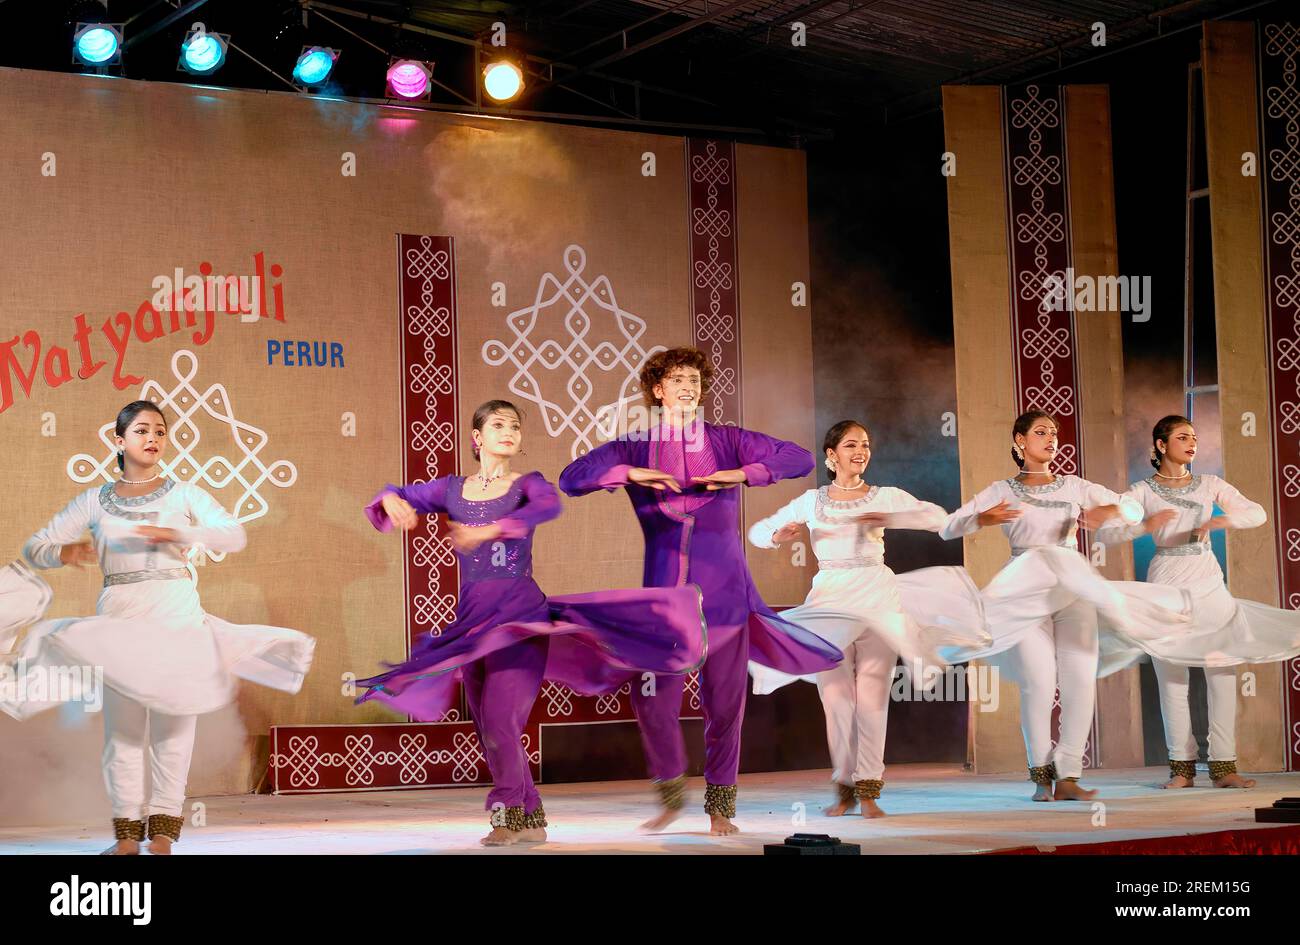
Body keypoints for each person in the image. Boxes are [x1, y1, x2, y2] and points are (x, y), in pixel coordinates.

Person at [358, 399, 706, 846]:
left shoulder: (528, 484)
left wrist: (490, 530)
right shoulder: (451, 489)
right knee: (488, 726)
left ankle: (504, 817)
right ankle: (531, 817)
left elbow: (547, 508)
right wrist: (391, 498)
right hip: (473, 624)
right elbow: (398, 494)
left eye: (515, 426)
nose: (509, 431)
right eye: (498, 424)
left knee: (503, 720)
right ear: (477, 438)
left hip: (522, 618)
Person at [1, 400, 315, 854]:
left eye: (161, 432)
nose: (153, 439)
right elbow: (35, 547)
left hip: (176, 612)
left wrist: (179, 535)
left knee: (173, 728)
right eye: (142, 430)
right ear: (119, 440)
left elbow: (233, 534)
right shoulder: (95, 499)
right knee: (124, 732)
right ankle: (127, 838)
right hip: (121, 614)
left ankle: (164, 835)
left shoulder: (184, 494)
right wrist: (63, 553)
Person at [558, 347, 840, 835]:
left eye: (694, 379)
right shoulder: (633, 447)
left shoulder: (727, 441)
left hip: (726, 594)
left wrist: (741, 473)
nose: (687, 386)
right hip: (665, 604)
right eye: (676, 379)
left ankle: (720, 806)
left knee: (725, 703)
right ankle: (670, 786)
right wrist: (630, 474)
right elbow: (571, 478)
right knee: (653, 700)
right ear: (658, 390)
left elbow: (795, 458)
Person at [1096, 415, 1300, 789]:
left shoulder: (1210, 484)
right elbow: (1107, 532)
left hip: (1207, 579)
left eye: (1194, 437)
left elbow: (1257, 513)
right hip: (1166, 581)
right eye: (1182, 437)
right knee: (1171, 674)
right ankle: (1181, 767)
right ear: (1161, 445)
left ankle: (1224, 767)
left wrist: (1220, 523)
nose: (1192, 443)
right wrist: (1144, 526)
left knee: (1221, 669)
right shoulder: (1141, 491)